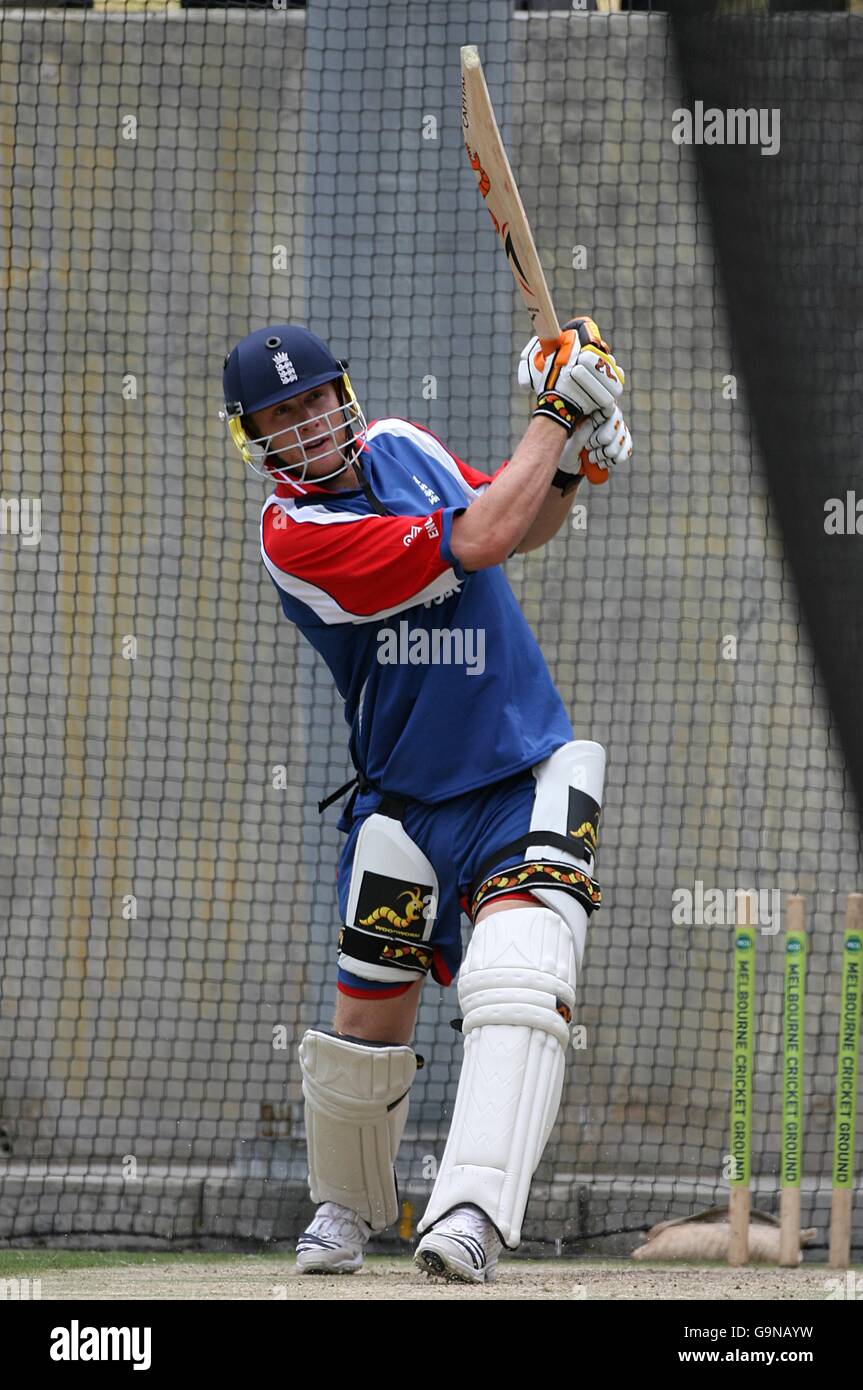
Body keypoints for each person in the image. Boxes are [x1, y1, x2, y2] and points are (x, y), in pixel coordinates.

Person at [221, 319, 632, 1283]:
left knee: (522, 978)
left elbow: (517, 518)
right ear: (254, 436)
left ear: (342, 394)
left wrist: (575, 463)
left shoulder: (401, 444)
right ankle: (347, 1206)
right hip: (405, 802)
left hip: (517, 772)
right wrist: (560, 410)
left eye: (315, 398)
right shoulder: (297, 536)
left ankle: (471, 1217)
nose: (307, 424)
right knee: (368, 1022)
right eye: (279, 414)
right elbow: (480, 539)